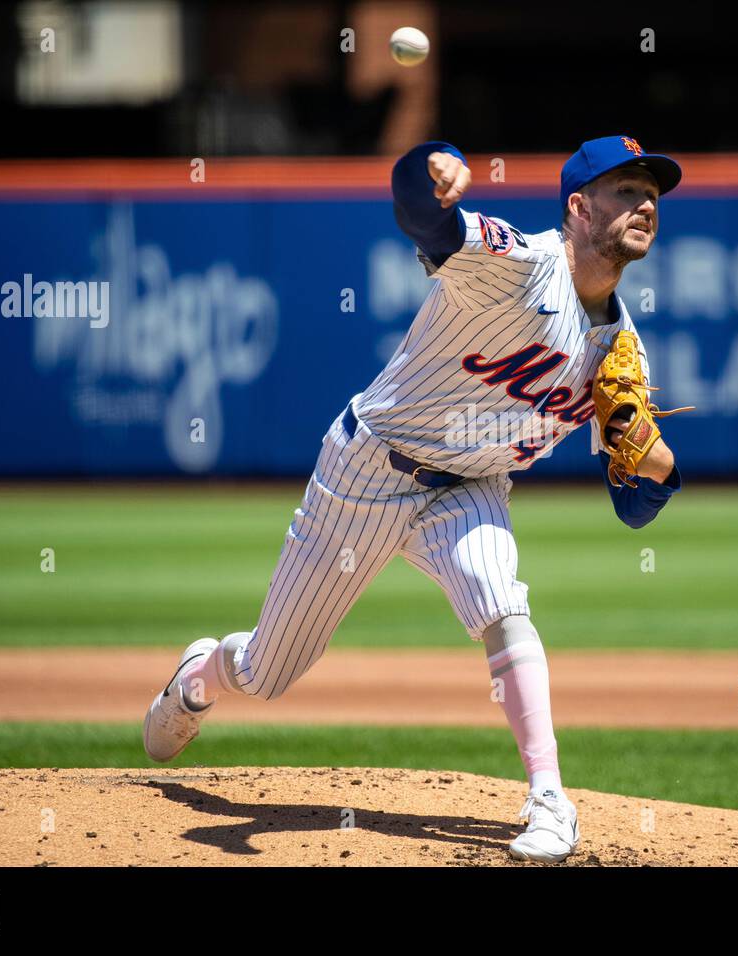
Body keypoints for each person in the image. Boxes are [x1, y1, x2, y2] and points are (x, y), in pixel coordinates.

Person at [144, 135, 685, 863]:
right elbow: (422, 218)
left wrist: (656, 464)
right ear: (579, 209)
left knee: (503, 604)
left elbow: (633, 505)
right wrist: (426, 165)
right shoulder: (520, 265)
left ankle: (550, 798)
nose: (645, 203)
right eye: (626, 191)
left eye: (652, 193)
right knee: (267, 674)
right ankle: (200, 678)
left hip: (470, 488)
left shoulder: (622, 349)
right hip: (367, 471)